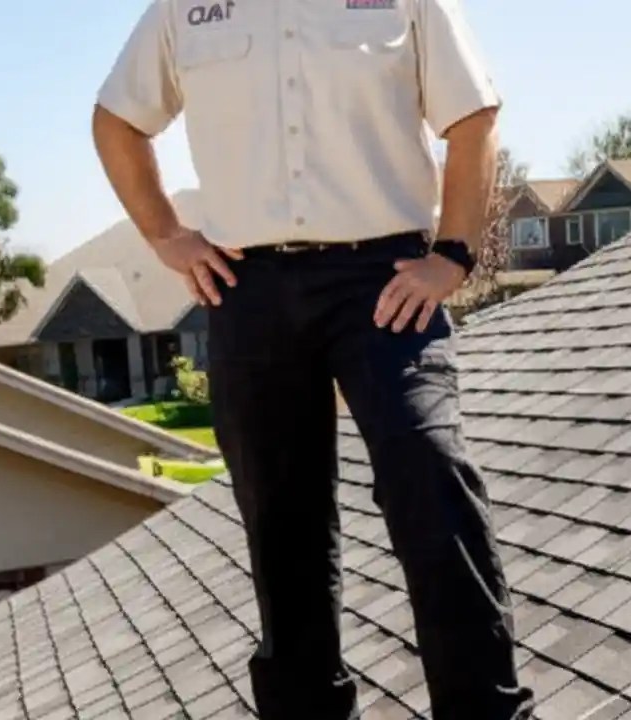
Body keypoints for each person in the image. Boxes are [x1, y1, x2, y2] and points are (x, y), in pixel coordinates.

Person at [91, 2, 535, 718]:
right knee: (280, 520)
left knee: (430, 476)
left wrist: (452, 255)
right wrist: (168, 235)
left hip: (384, 281)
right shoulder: (185, 7)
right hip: (249, 290)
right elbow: (117, 120)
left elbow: (472, 115)